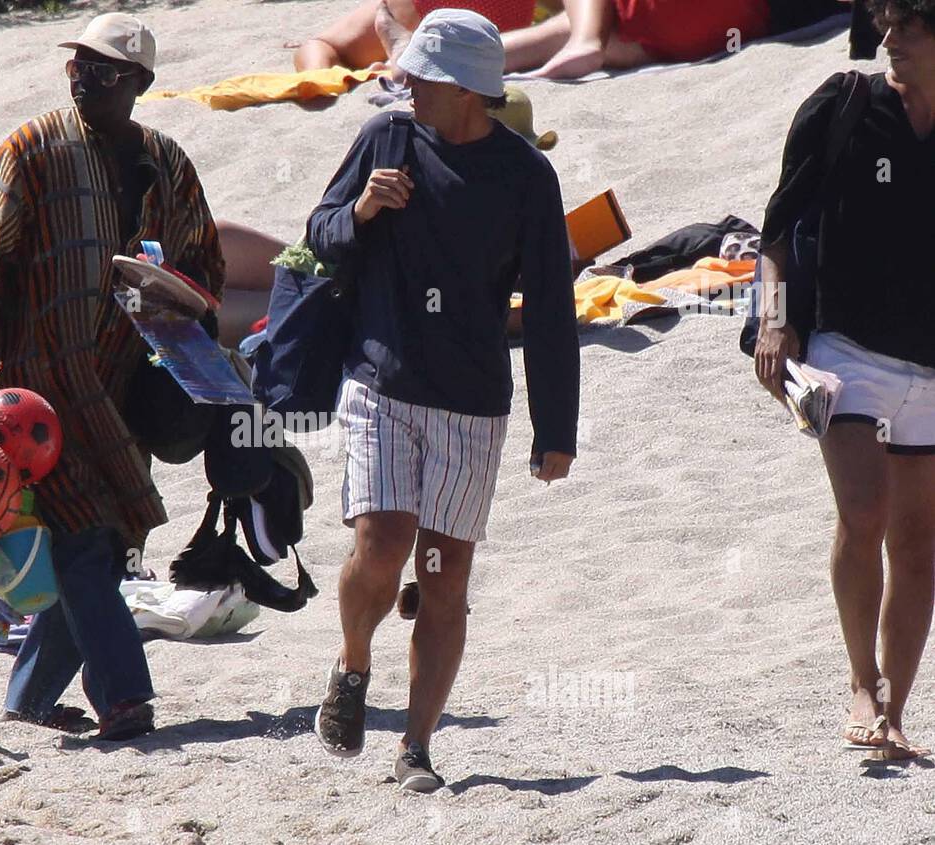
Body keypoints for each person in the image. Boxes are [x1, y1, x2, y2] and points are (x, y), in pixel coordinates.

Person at [0, 13, 225, 741]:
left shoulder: (167, 163)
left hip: (117, 387)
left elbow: (202, 265)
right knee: (85, 540)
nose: (83, 77)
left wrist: (180, 322)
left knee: (102, 547)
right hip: (35, 389)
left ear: (141, 84)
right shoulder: (34, 148)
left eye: (104, 71)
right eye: (77, 64)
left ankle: (27, 698)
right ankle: (124, 697)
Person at [306, 10, 579, 791]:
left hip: (472, 399)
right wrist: (360, 212)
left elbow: (553, 310)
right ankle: (354, 666)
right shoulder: (384, 141)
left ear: (462, 88)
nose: (405, 86)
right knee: (386, 543)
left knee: (444, 572)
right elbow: (316, 237)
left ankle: (415, 747)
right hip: (382, 379)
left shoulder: (526, 176)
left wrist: (554, 429)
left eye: (419, 76)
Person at [754, 0, 935, 761]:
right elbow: (775, 229)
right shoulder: (845, 106)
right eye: (885, 22)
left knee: (920, 546)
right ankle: (862, 684)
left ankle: (893, 710)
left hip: (929, 366)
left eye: (910, 26)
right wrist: (772, 322)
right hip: (846, 350)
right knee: (864, 508)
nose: (887, 39)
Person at [499, 1, 846, 80]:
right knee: (556, 34)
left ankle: (586, 38)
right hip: (725, 25)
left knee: (587, 28)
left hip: (671, 18)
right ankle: (586, 39)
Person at [293, 0, 539, 71]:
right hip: (509, 20)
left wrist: (319, 79)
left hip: (428, 14)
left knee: (322, 48)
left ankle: (405, 54)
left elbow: (321, 46)